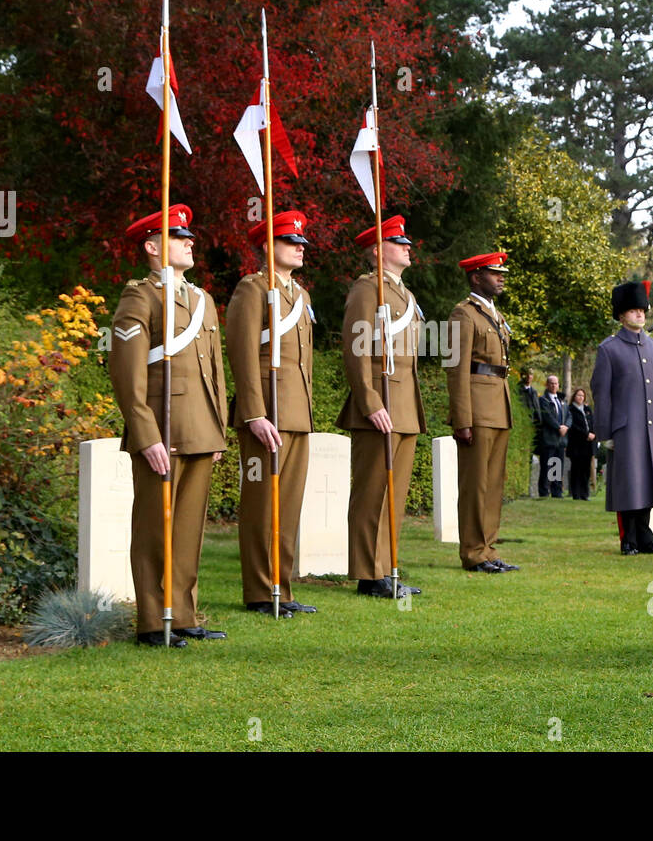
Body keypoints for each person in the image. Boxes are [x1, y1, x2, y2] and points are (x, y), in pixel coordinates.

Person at [109, 203, 228, 645]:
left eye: (190, 237)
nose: (190, 243)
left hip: (200, 426)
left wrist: (217, 426)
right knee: (156, 527)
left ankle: (184, 616)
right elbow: (127, 372)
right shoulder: (141, 296)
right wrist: (144, 433)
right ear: (153, 246)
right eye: (179, 238)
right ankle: (152, 622)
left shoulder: (203, 300)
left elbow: (214, 369)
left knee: (188, 528)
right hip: (163, 427)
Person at [225, 210, 318, 618]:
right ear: (268, 246)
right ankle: (262, 592)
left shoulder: (300, 295)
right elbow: (243, 355)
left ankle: (284, 587)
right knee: (263, 505)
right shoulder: (252, 289)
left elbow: (305, 362)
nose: (299, 248)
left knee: (289, 507)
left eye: (301, 243)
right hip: (267, 412)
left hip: (296, 410)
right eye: (289, 242)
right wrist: (253, 413)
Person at [335, 214, 425, 599]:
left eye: (406, 241)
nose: (407, 247)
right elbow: (356, 349)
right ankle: (368, 574)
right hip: (380, 401)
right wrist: (369, 400)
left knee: (394, 493)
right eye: (397, 241)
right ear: (377, 250)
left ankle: (387, 568)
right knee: (373, 490)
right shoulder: (367, 289)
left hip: (404, 402)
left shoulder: (404, 294)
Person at [590, 281, 653, 556]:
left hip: (652, 427)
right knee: (630, 484)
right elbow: (601, 394)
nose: (640, 314)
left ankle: (645, 537)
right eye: (633, 310)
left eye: (642, 309)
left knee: (649, 483)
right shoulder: (609, 349)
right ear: (621, 316)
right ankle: (628, 539)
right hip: (625, 429)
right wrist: (605, 434)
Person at [446, 252, 519, 573]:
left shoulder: (494, 315)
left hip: (498, 405)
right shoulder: (463, 315)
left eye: (501, 273)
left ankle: (488, 549)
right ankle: (473, 552)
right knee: (475, 485)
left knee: (492, 484)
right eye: (494, 273)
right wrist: (462, 418)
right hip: (476, 408)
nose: (500, 277)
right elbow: (455, 368)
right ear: (476, 277)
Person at [536, 375, 570, 497]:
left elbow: (568, 415)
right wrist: (558, 427)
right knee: (547, 465)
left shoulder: (562, 401)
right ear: (547, 385)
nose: (554, 386)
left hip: (560, 440)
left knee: (557, 465)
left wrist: (566, 426)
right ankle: (544, 491)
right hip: (549, 438)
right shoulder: (543, 400)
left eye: (556, 383)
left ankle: (556, 491)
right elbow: (547, 416)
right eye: (551, 383)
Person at [565, 387, 596, 500]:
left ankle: (585, 494)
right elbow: (573, 426)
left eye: (582, 396)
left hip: (588, 445)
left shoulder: (587, 409)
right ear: (574, 396)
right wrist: (585, 434)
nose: (580, 397)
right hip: (576, 444)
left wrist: (593, 434)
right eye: (578, 395)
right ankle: (575, 493)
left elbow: (593, 423)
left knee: (586, 470)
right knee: (576, 469)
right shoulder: (570, 409)